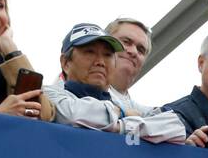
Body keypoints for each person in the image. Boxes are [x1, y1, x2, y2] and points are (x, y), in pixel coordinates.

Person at [46, 22, 185, 142]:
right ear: (65, 63)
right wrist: (123, 115)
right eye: (89, 52)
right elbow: (73, 115)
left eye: (107, 55)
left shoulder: (123, 104)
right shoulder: (46, 93)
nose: (100, 62)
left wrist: (121, 126)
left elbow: (175, 126)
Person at [105, 16, 151, 108]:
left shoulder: (146, 116)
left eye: (140, 50)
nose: (134, 51)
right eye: (126, 42)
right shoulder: (71, 93)